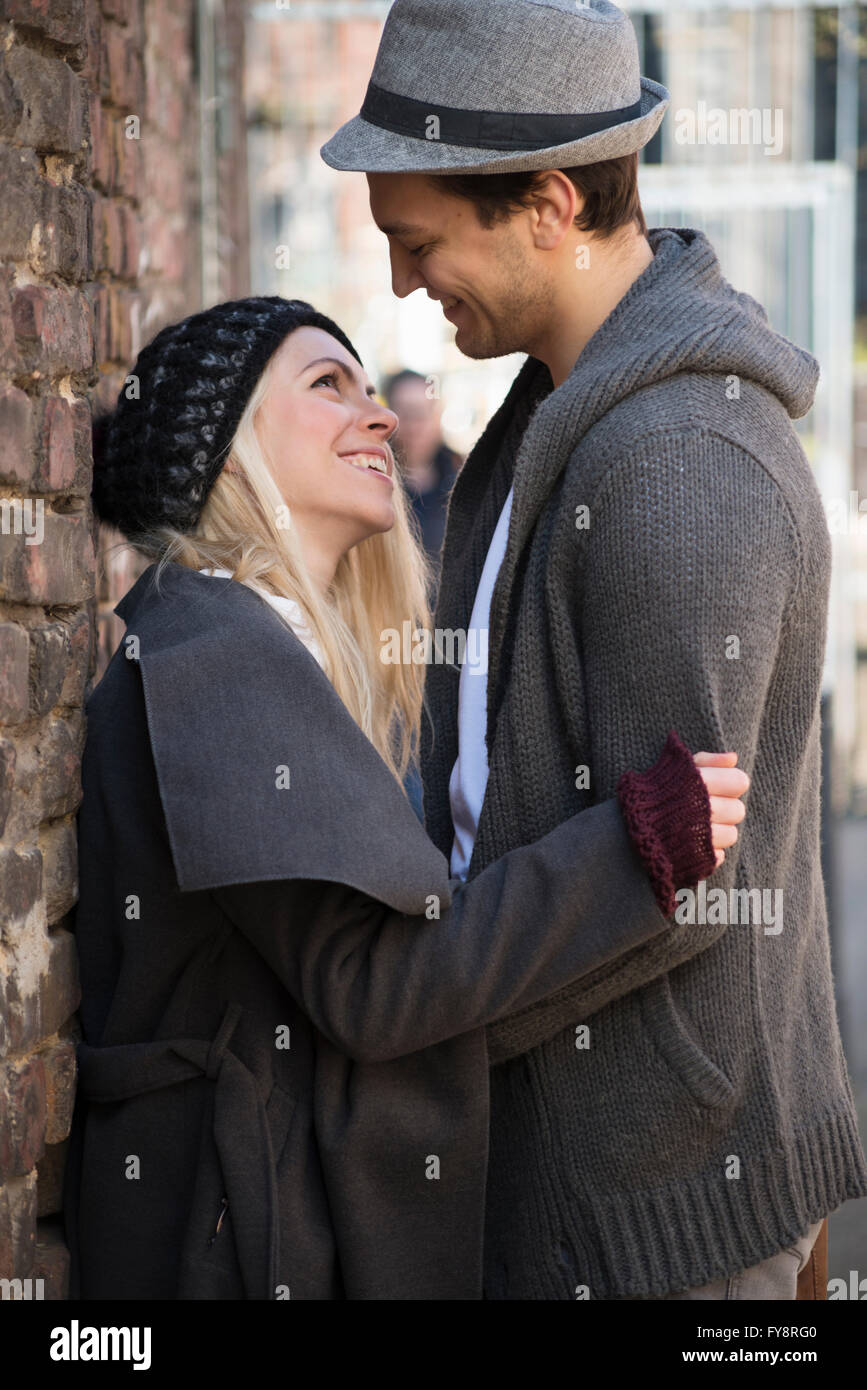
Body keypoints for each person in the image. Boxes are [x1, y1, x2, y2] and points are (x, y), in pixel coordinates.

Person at [320, 0, 867, 1299]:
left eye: (419, 240)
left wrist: (405, 1022)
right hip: (578, 1176)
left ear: (552, 204)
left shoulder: (677, 465)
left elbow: (678, 871)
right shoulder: (555, 414)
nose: (401, 280)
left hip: (658, 1211)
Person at [63, 296, 749, 1301]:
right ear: (229, 446)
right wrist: (632, 848)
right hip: (217, 1243)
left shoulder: (237, 638)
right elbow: (377, 984)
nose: (380, 415)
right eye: (326, 385)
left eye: (371, 388)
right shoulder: (213, 654)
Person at [381, 368, 460, 575]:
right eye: (405, 414)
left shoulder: (466, 478)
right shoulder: (370, 482)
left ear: (437, 417)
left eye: (422, 413)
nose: (414, 426)